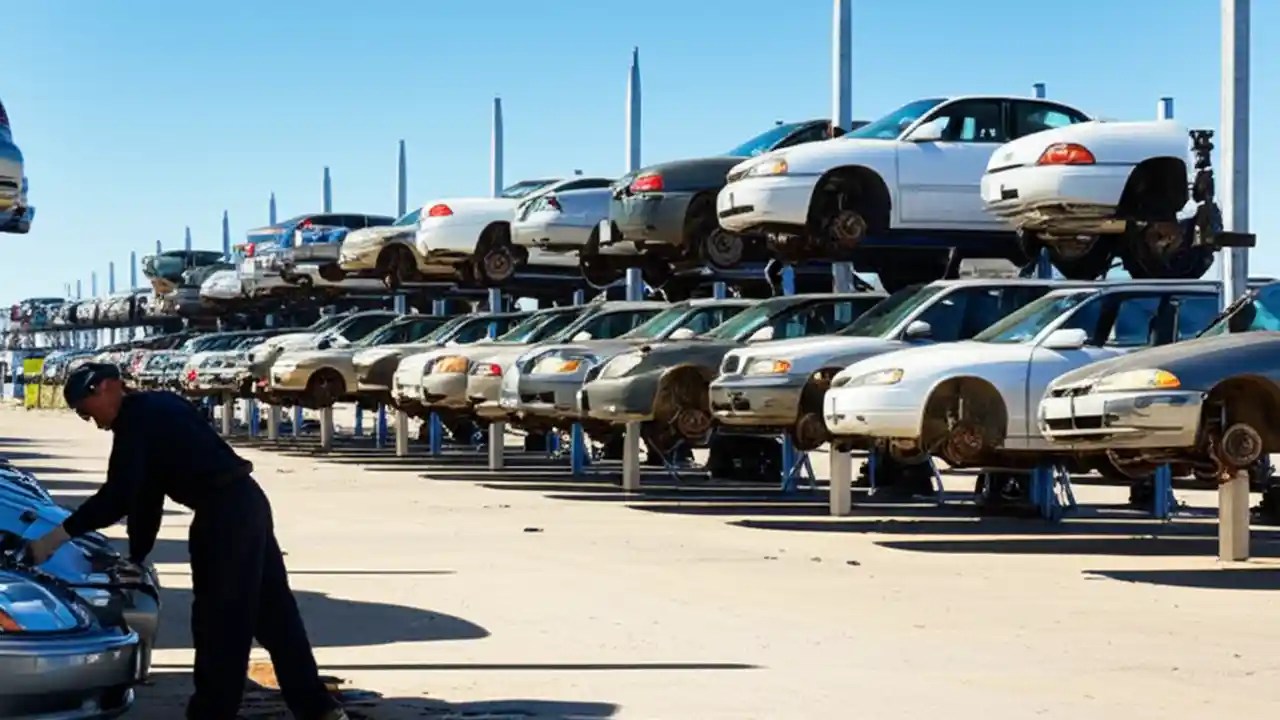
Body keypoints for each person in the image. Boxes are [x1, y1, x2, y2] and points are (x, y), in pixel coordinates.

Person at [26, 363, 347, 720]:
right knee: (273, 615)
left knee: (220, 621)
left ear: (107, 387)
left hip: (225, 515)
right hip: (247, 504)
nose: (91, 420)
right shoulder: (158, 406)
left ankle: (212, 713)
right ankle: (317, 707)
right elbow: (146, 495)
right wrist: (138, 555)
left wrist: (56, 537)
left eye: (86, 410)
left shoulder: (138, 421)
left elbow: (118, 495)